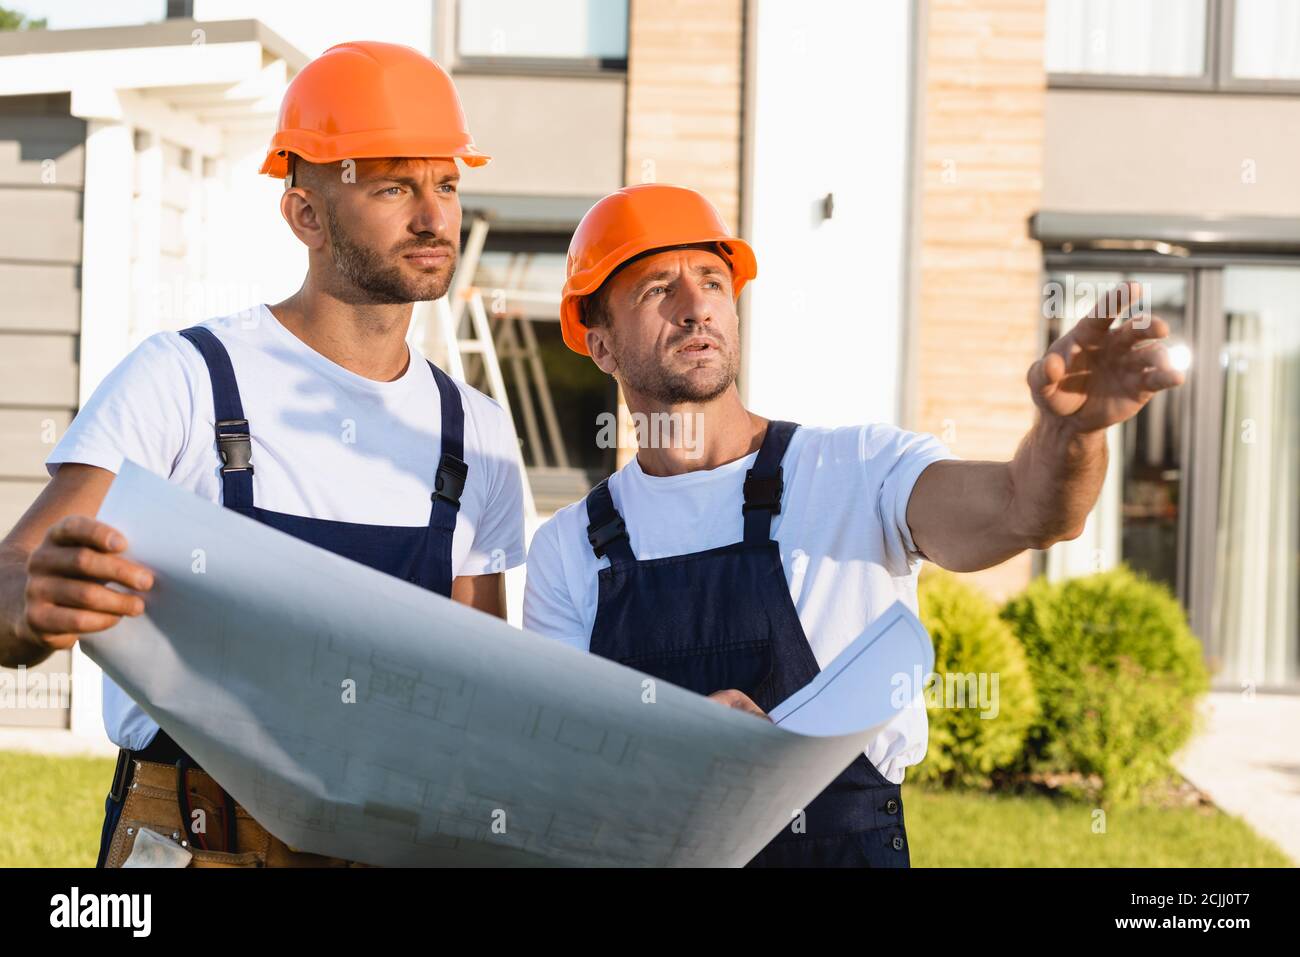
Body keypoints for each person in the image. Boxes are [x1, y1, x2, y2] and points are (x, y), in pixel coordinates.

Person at [522, 183, 1184, 867]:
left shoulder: (855, 470)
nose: (696, 307)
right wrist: (680, 746)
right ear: (599, 345)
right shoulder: (571, 549)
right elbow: (564, 772)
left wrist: (1069, 433)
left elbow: (1029, 510)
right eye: (658, 287)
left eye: (714, 281)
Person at [0, 41, 525, 867]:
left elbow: (477, 696)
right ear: (305, 215)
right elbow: (12, 577)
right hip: (188, 837)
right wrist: (31, 606)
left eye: (447, 184)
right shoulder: (185, 380)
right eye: (394, 186)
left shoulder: (476, 432)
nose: (434, 217)